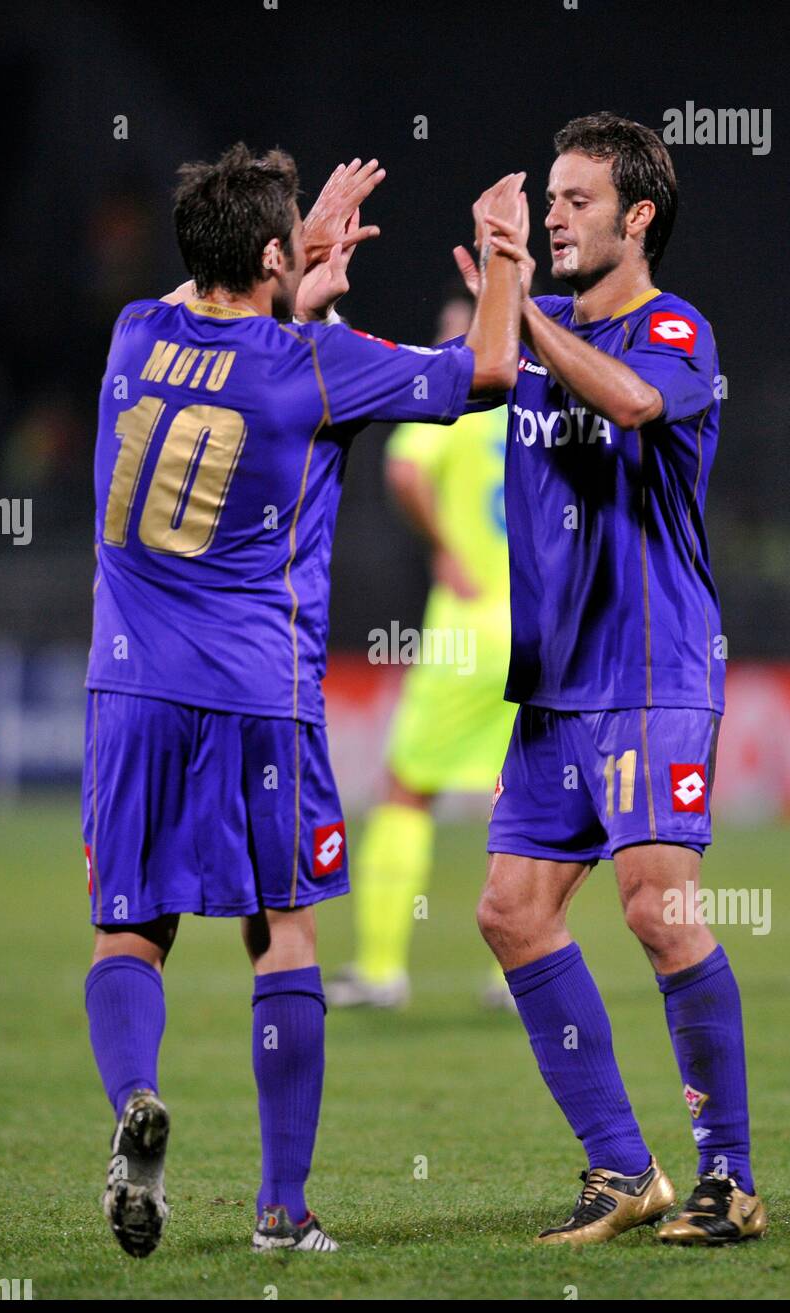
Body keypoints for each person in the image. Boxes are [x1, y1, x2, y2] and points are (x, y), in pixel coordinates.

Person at [82, 143, 526, 1256]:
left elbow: (216, 300)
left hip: (127, 688)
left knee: (128, 929)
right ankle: (281, 1212)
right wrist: (507, 260)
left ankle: (134, 1097)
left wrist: (296, 255)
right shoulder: (313, 362)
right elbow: (489, 371)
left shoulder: (135, 334)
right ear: (275, 255)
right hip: (256, 696)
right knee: (283, 932)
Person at [452, 112, 766, 1247]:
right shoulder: (535, 339)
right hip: (554, 689)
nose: (554, 215)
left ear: (635, 218)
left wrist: (527, 308)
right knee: (509, 911)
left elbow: (632, 404)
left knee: (656, 908)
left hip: (650, 667)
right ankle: (619, 1169)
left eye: (576, 200)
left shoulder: (674, 330)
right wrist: (494, 287)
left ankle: (728, 1178)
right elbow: (476, 377)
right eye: (548, 199)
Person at [326, 288, 515, 1011]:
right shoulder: (540, 399)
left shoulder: (462, 388)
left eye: (450, 327)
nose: (442, 338)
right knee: (524, 802)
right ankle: (518, 976)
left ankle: (379, 970)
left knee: (407, 787)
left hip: (469, 627)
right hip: (537, 629)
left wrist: (443, 550)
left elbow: (403, 469)